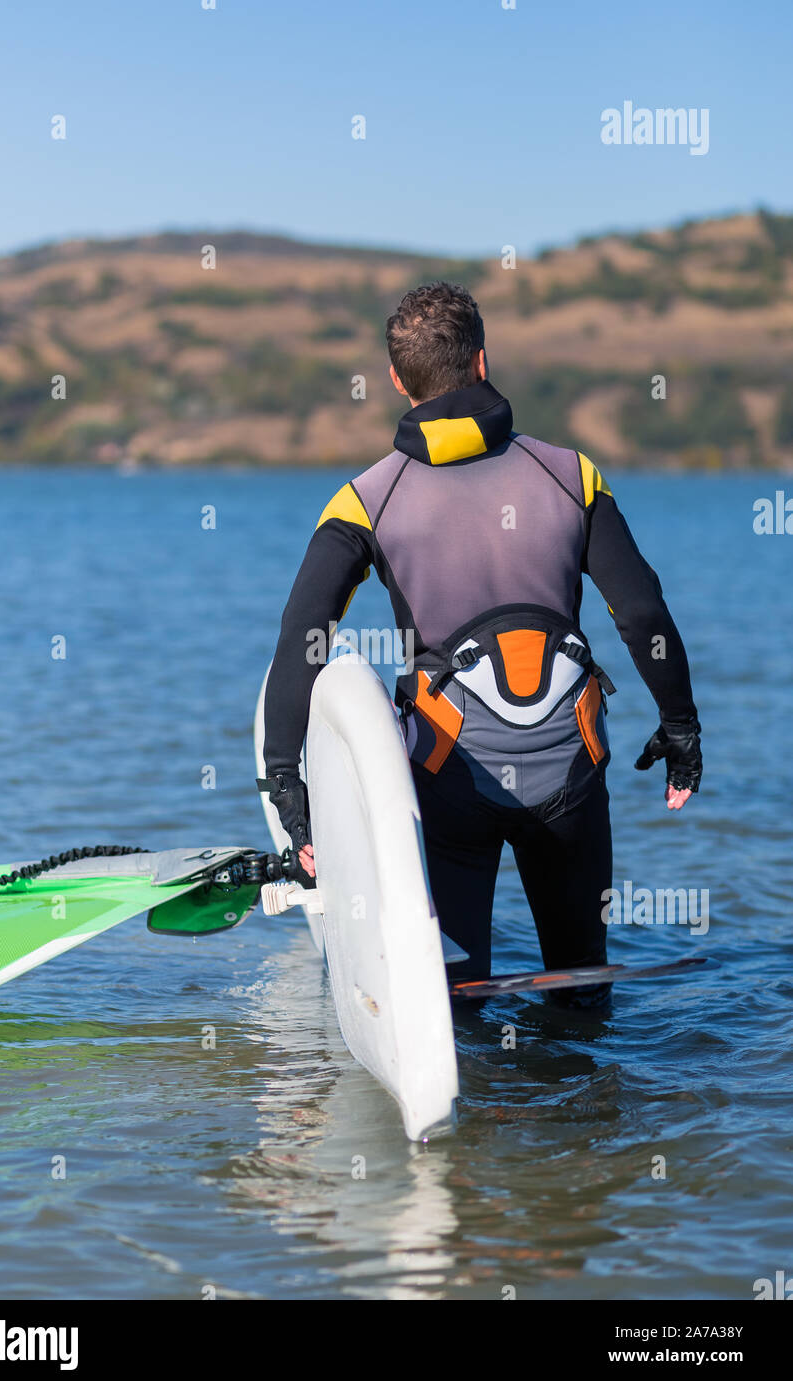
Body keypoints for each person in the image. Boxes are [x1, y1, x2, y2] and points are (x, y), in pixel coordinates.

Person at [258, 282, 701, 1006]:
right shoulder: (571, 475)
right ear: (483, 361)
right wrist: (681, 728)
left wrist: (287, 783)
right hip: (570, 770)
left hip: (451, 777)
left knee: (456, 1005)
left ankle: (472, 1101)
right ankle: (587, 1110)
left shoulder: (366, 499)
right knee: (581, 992)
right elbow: (643, 614)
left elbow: (303, 638)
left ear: (398, 381)